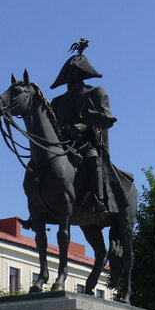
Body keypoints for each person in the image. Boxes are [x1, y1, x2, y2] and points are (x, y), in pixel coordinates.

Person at [51, 38, 117, 216]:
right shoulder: (58, 101)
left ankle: (98, 200)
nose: (70, 77)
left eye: (74, 72)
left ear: (82, 73)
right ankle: (39, 207)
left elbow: (105, 118)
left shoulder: (95, 92)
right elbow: (50, 124)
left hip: (86, 142)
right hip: (63, 143)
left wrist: (83, 127)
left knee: (92, 157)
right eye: (67, 73)